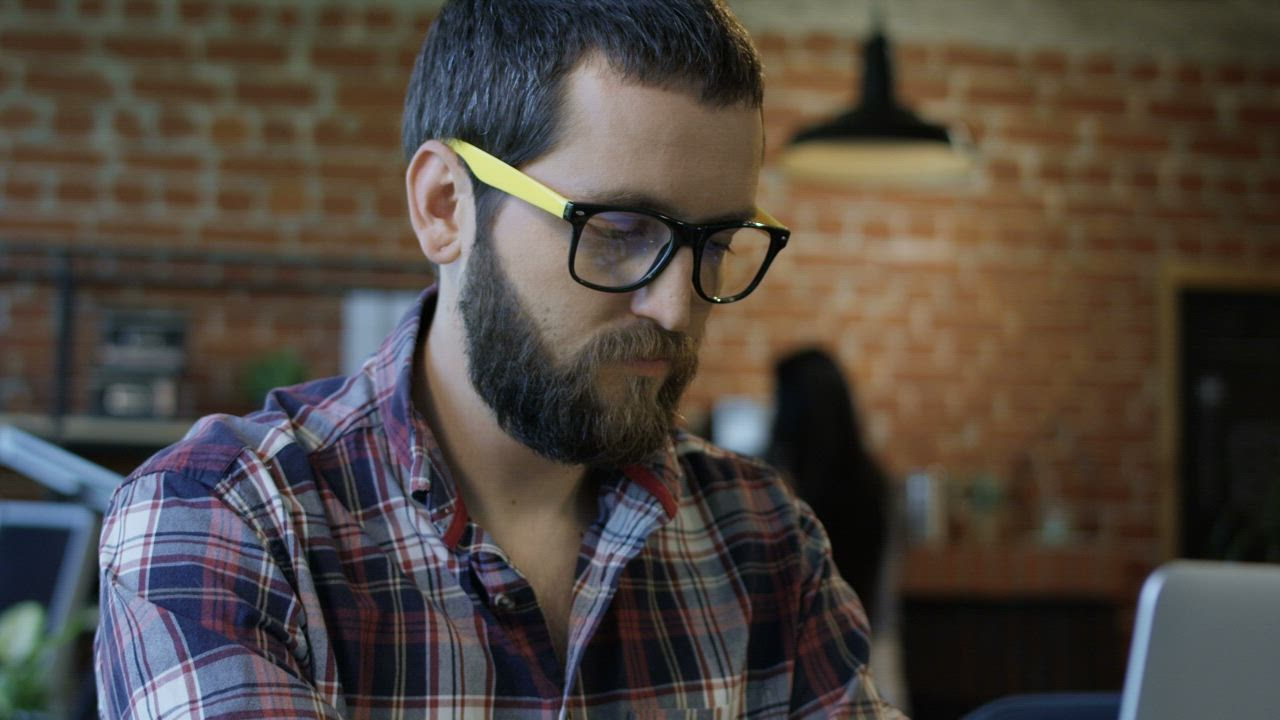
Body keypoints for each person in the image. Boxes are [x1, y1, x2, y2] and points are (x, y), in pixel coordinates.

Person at [94, 1, 905, 717]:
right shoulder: (227, 522)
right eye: (619, 234)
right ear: (445, 206)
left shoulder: (762, 539)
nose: (676, 308)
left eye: (716, 244)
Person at [768, 348, 909, 710]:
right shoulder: (875, 483)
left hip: (795, 675)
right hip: (874, 658)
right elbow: (885, 593)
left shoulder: (777, 490)